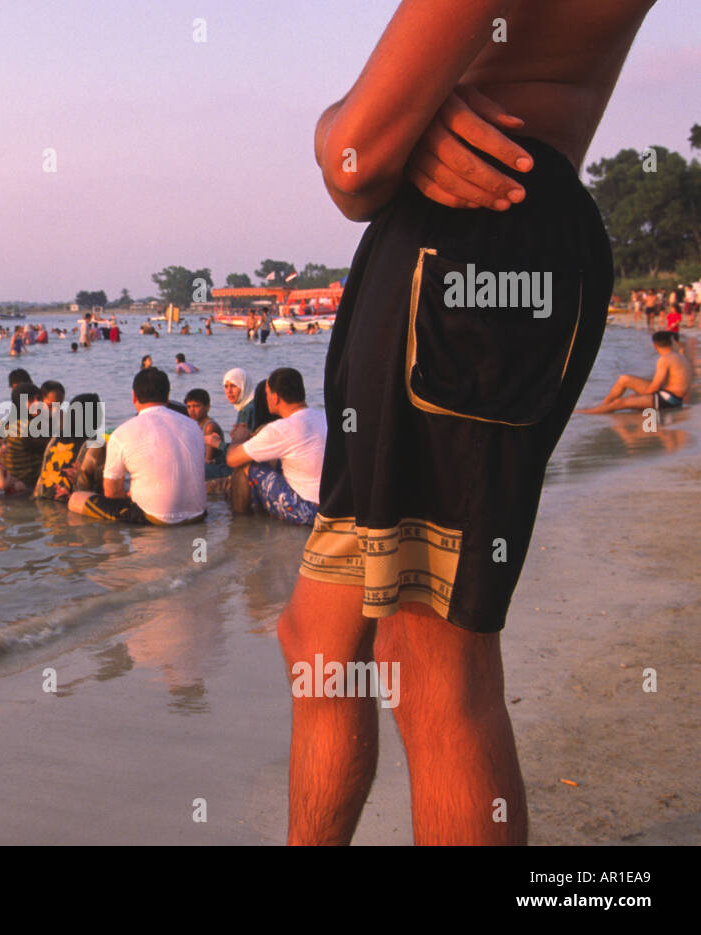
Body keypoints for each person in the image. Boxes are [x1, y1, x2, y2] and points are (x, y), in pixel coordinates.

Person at [282, 0, 653, 847]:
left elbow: (355, 162)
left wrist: (342, 123)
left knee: (434, 667)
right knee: (317, 637)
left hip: (463, 255)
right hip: (485, 254)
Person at [69, 368, 206, 525]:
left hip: (155, 519)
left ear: (134, 396)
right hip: (199, 514)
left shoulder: (122, 433)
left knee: (75, 499)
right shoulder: (193, 426)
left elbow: (111, 493)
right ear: (167, 396)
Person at [226, 368, 326, 523]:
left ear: (275, 397)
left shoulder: (282, 428)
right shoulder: (323, 417)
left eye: (267, 393)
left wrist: (238, 439)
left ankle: (240, 524)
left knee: (245, 466)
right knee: (270, 459)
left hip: (311, 511)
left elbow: (232, 459)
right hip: (332, 504)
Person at [578, 331, 689, 413]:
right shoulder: (678, 355)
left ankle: (585, 413)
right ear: (670, 343)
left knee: (619, 403)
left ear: (654, 345)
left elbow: (655, 387)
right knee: (624, 379)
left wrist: (637, 397)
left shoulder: (664, 359)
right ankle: (603, 406)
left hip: (668, 400)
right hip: (670, 396)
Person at [35, 393, 102, 501]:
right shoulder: (94, 444)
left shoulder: (56, 439)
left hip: (42, 499)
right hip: (71, 505)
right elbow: (102, 483)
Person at [0, 382, 48, 488]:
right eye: (31, 400)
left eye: (39, 399)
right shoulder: (31, 426)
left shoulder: (8, 423)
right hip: (28, 483)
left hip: (12, 480)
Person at [183, 388, 228, 480]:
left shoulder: (209, 427)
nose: (191, 410)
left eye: (196, 406)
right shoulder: (195, 425)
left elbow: (208, 459)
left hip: (216, 468)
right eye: (189, 407)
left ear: (207, 407)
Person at [222, 367, 257, 432]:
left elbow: (243, 441)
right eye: (226, 386)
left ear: (244, 386)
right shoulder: (246, 406)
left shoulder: (248, 410)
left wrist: (218, 442)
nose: (229, 391)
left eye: (233, 386)